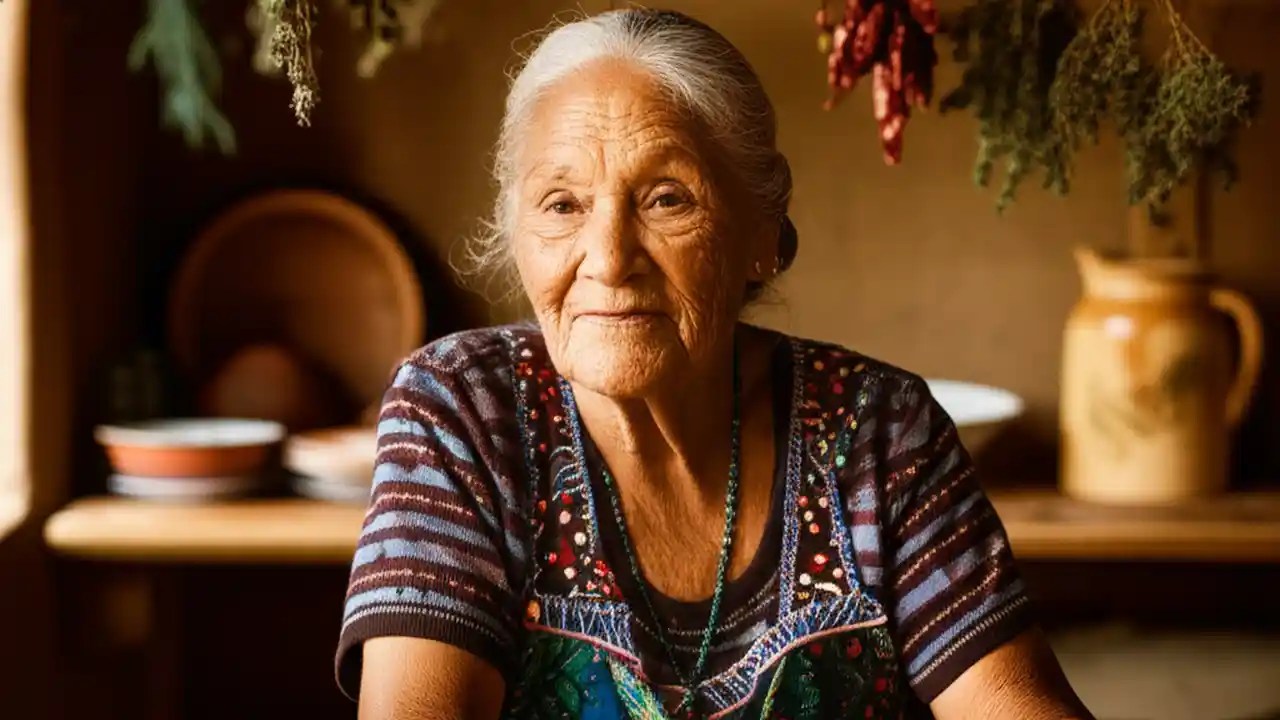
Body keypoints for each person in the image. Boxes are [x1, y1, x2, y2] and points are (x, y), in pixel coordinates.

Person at [335, 8, 1094, 720]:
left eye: (666, 200)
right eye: (562, 205)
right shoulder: (464, 408)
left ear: (762, 231)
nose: (608, 260)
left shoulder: (877, 430)